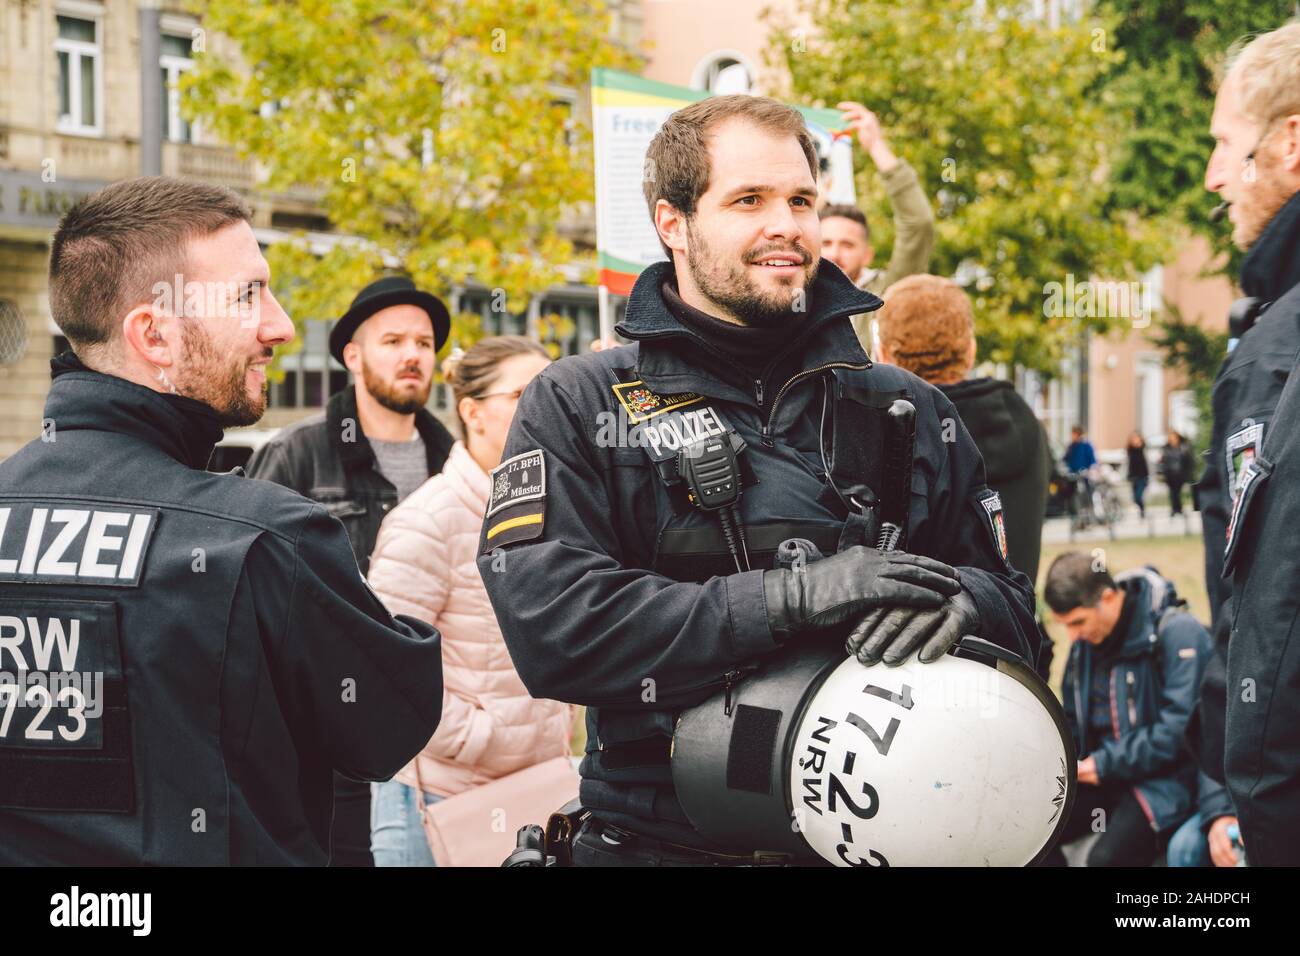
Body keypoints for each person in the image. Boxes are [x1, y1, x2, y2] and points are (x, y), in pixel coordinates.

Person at [476, 94, 1039, 865]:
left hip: (887, 836)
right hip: (660, 842)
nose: (788, 225)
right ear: (672, 223)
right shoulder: (577, 401)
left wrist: (967, 604)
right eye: (749, 200)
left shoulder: (907, 406)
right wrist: (789, 599)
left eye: (802, 200)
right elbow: (554, 631)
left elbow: (1017, 610)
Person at [0, 177, 444, 864]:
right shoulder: (266, 539)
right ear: (155, 334)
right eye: (247, 295)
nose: (281, 326)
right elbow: (389, 727)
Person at [245, 273, 455, 867]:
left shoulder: (457, 465)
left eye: (423, 342)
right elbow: (250, 596)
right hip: (327, 748)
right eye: (393, 341)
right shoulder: (296, 455)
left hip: (441, 747)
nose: (412, 355)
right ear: (353, 356)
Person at [366, 336, 573, 866]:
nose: (545, 411)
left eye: (553, 393)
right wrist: (481, 737)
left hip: (537, 784)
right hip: (438, 796)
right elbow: (381, 669)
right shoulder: (427, 520)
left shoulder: (554, 511)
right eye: (525, 395)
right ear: (472, 412)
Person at [1203, 22, 1300, 866]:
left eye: (1226, 147)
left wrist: (1251, 797)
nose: (1212, 177)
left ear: (1290, 144)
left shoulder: (1279, 348)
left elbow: (1268, 616)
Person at [875, 273, 1052, 583]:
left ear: (884, 354)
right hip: (1012, 622)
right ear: (970, 349)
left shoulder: (888, 433)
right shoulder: (1023, 423)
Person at [1043, 555, 1210, 867]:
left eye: (1078, 622)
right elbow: (1071, 722)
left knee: (1106, 859)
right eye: (1064, 626)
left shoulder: (1177, 632)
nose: (1072, 636)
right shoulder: (1083, 649)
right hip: (1103, 778)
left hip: (1165, 782)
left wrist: (1102, 765)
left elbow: (1178, 732)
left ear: (1108, 597)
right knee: (1033, 829)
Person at [818, 101, 935, 354]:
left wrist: (875, 146)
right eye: (826, 243)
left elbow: (918, 225)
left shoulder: (887, 294)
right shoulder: (790, 295)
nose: (834, 254)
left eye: (847, 244)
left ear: (867, 254)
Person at [1159, 430, 1193, 516]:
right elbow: (1163, 462)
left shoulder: (1183, 447)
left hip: (1180, 474)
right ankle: (1175, 509)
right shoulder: (1165, 448)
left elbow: (1188, 461)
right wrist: (1162, 474)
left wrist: (1188, 473)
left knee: (1177, 492)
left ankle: (1178, 508)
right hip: (1170, 474)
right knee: (1172, 492)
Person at [1126, 432, 1150, 518]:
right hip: (1133, 477)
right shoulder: (1130, 451)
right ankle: (1141, 509)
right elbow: (1127, 465)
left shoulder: (1144, 449)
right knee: (1135, 498)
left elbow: (1149, 464)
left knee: (1138, 495)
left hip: (1143, 477)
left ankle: (1142, 510)